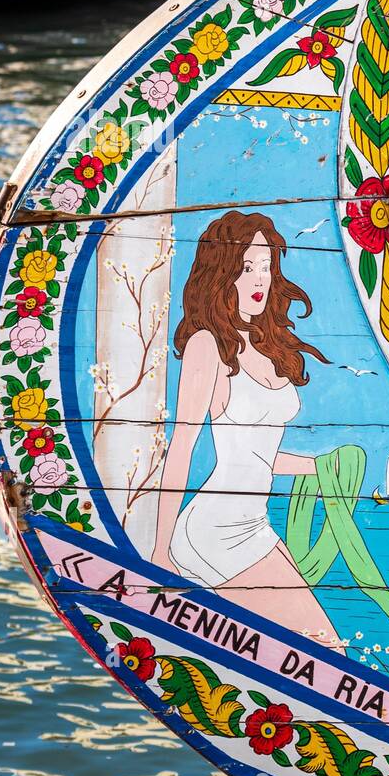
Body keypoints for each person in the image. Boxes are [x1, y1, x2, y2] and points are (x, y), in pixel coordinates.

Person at [151, 209, 342, 650]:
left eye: (265, 267)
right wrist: (160, 553)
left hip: (253, 526)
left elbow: (259, 458)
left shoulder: (265, 344)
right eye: (246, 267)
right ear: (222, 273)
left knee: (300, 650)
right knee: (325, 647)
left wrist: (324, 469)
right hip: (214, 529)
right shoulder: (207, 346)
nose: (259, 279)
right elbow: (181, 448)